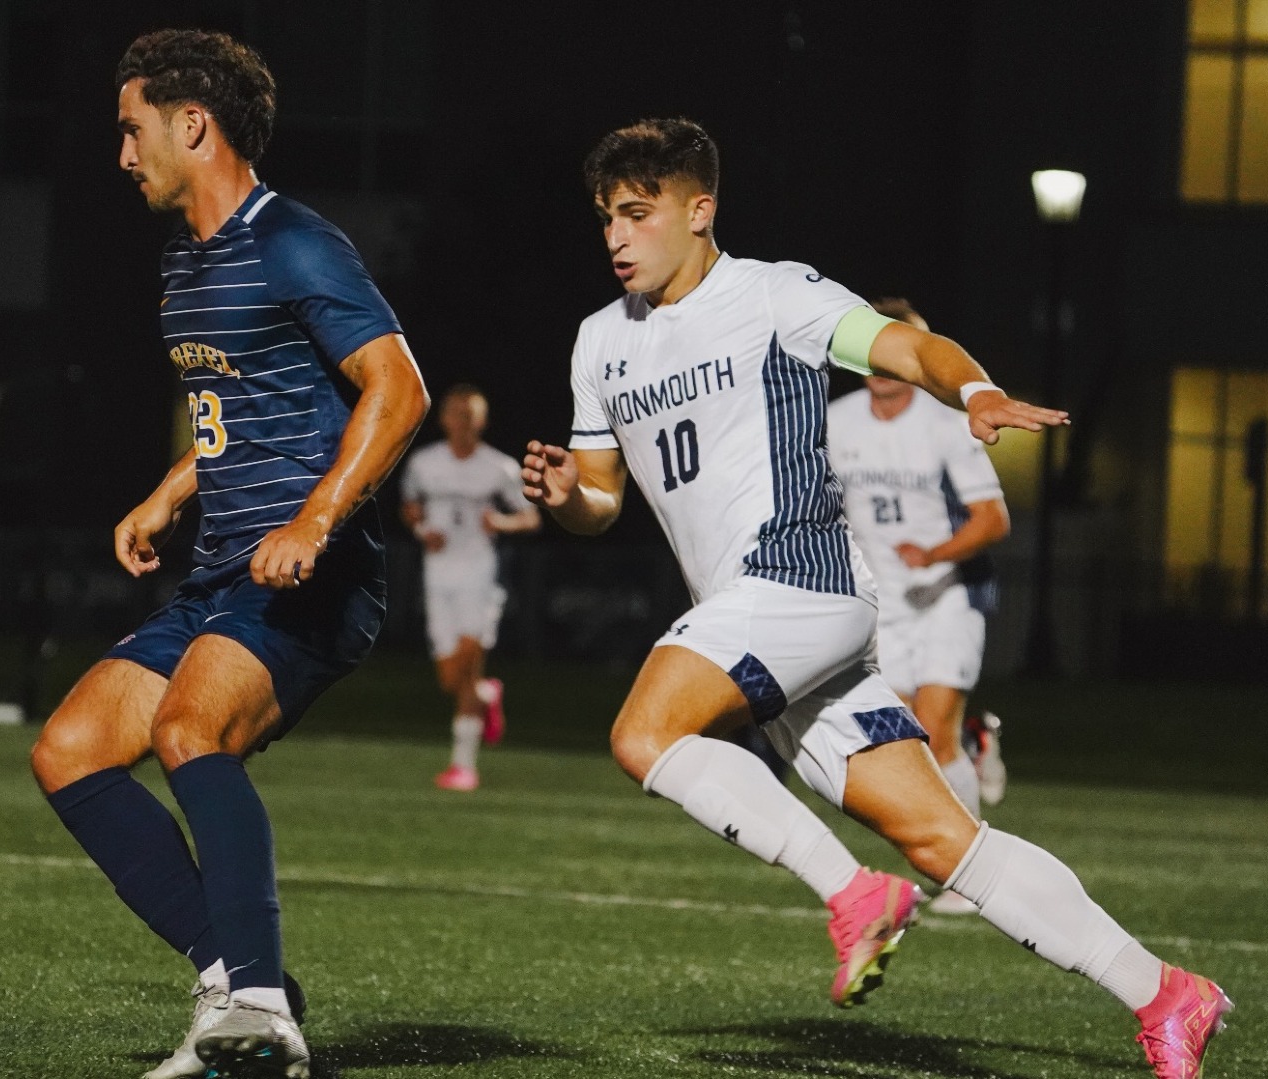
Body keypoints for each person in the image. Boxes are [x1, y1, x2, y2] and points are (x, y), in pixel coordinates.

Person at [521, 118, 1229, 1079]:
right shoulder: (600, 340)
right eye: (606, 216)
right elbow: (602, 501)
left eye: (638, 213)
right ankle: (1166, 993)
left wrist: (973, 391)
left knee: (643, 733)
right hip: (758, 618)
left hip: (798, 577)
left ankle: (856, 893)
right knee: (945, 841)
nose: (616, 236)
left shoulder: (774, 294)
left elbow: (907, 349)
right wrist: (569, 497)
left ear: (699, 210)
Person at [27, 29, 427, 1079]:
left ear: (192, 124)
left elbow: (398, 390)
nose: (123, 153)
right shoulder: (184, 264)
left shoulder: (293, 240)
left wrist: (315, 521)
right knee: (69, 748)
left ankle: (256, 1012)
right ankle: (236, 977)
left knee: (188, 727)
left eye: (134, 129)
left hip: (313, 574)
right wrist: (170, 492)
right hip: (220, 572)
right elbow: (238, 413)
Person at [826, 297, 1010, 914]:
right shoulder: (836, 421)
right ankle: (976, 745)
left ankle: (968, 876)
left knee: (932, 732)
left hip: (948, 593)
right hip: (883, 603)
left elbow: (992, 519)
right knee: (909, 742)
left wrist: (934, 555)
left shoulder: (944, 422)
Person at [399, 384, 541, 790]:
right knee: (450, 678)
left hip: (480, 575)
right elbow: (410, 506)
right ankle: (486, 694)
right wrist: (422, 530)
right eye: (457, 414)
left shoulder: (499, 467)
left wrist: (502, 522)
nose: (464, 423)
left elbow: (531, 518)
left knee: (469, 661)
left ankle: (463, 765)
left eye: (471, 416)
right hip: (438, 575)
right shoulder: (424, 463)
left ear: (483, 421)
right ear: (443, 418)